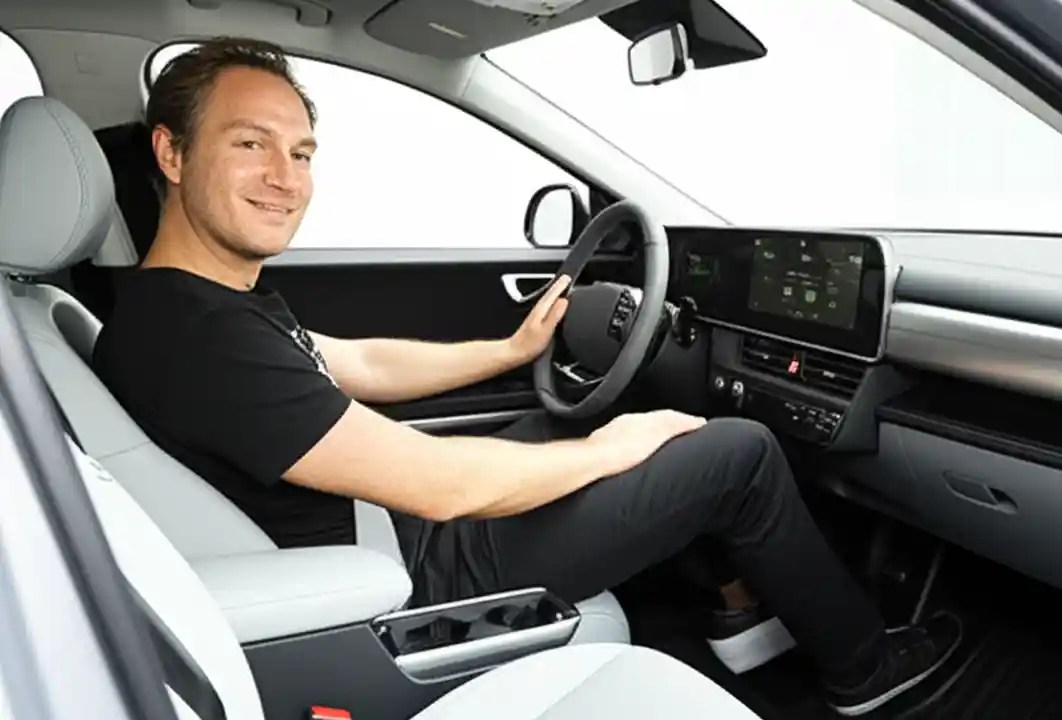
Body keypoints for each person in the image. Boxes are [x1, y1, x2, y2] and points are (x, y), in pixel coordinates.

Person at [92, 37, 961, 716]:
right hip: (413, 576)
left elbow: (357, 363)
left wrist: (509, 353)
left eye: (304, 152)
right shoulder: (195, 336)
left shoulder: (194, 304)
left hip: (382, 528)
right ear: (170, 153)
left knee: (573, 434)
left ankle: (739, 608)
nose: (287, 179)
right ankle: (864, 669)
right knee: (738, 450)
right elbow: (435, 482)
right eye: (252, 144)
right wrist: (622, 443)